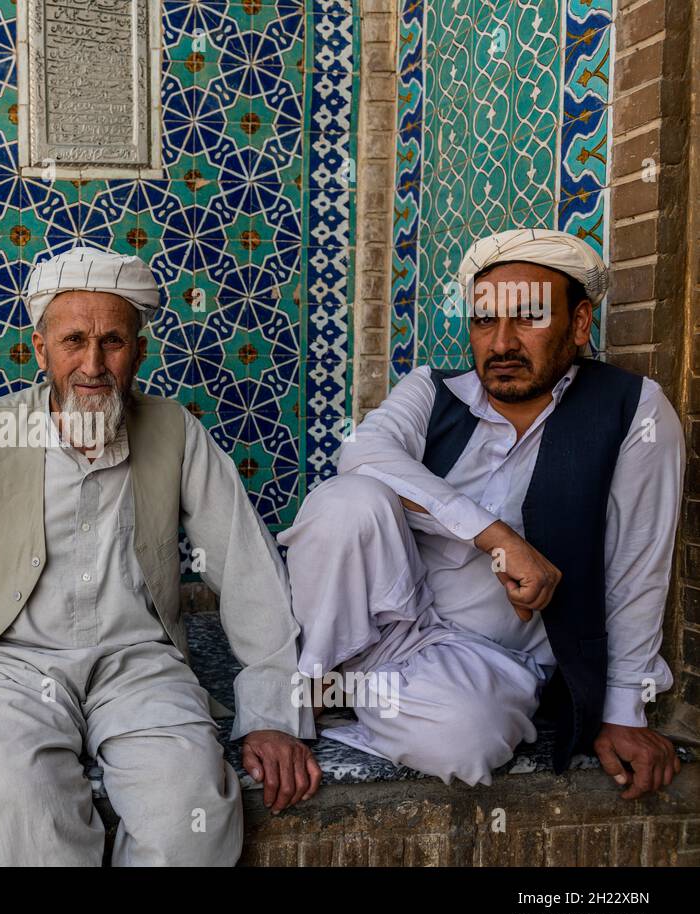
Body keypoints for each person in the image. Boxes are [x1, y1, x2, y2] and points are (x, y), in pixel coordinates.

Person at [0, 246, 316, 866]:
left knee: (191, 814)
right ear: (40, 349)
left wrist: (271, 715)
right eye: (73, 340)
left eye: (113, 342)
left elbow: (248, 570)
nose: (92, 364)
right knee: (20, 815)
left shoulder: (175, 430)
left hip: (139, 667)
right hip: (2, 669)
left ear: (139, 352)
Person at [280, 228, 683, 797]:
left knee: (466, 739)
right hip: (381, 626)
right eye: (484, 321)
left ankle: (358, 698)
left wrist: (625, 712)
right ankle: (316, 690)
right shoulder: (430, 389)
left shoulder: (632, 411)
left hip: (487, 661)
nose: (501, 344)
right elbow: (363, 456)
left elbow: (638, 566)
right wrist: (495, 537)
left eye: (528, 318)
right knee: (345, 502)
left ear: (580, 322)